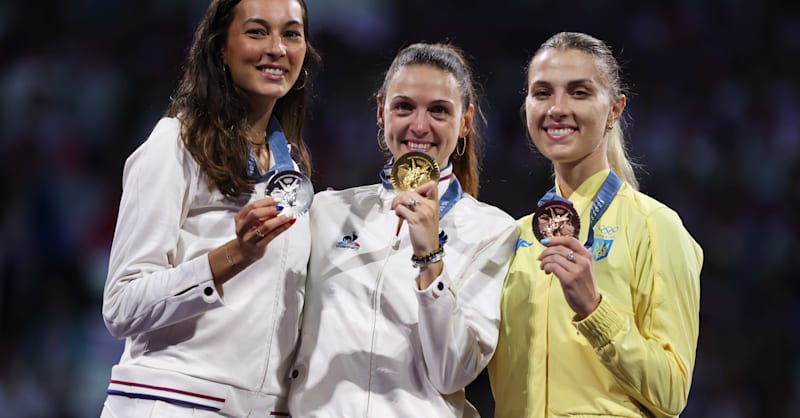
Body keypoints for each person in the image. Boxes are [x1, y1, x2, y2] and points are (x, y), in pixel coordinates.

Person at [100, 0, 320, 416]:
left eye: (291, 33)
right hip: (170, 402)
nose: (277, 48)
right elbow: (121, 305)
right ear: (220, 47)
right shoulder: (175, 143)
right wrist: (235, 254)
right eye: (257, 32)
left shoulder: (292, 166)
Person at [287, 42, 519, 417]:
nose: (419, 126)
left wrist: (430, 258)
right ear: (381, 112)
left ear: (465, 122)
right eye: (404, 107)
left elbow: (451, 372)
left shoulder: (493, 232)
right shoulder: (328, 212)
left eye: (439, 111)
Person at [488, 31, 703, 418]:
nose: (557, 108)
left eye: (579, 92)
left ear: (615, 109)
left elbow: (672, 391)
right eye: (542, 93)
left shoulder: (655, 226)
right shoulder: (513, 238)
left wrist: (594, 308)